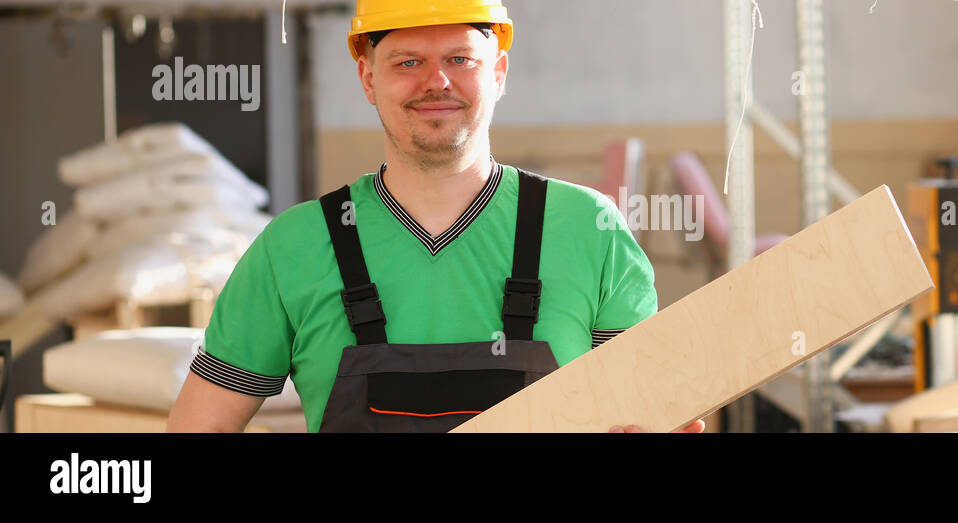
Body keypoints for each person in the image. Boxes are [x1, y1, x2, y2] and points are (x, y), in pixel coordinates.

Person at [167, 0, 703, 433]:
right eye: (407, 61)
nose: (436, 81)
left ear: (498, 72)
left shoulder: (592, 230)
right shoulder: (295, 245)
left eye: (460, 58)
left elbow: (641, 409)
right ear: (367, 77)